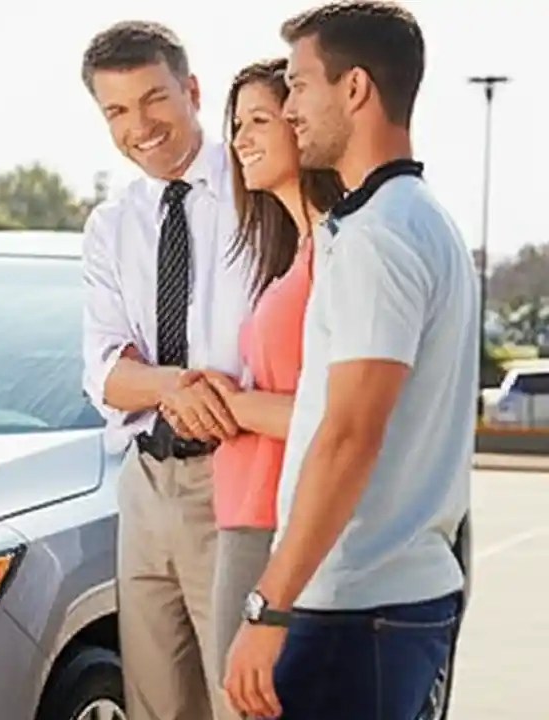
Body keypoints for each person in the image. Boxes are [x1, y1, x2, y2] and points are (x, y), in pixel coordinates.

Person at [221, 2, 477, 719]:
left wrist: (268, 607)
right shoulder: (420, 220)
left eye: (300, 86)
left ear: (355, 89)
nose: (290, 107)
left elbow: (349, 435)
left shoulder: (380, 237)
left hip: (352, 606)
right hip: (390, 602)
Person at [79, 20, 253, 720]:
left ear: (193, 91)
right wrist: (178, 386)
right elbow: (104, 372)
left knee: (240, 698)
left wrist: (154, 381)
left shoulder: (258, 196)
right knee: (157, 704)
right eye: (116, 111)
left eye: (154, 100)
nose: (139, 127)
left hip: (236, 477)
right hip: (146, 482)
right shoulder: (112, 225)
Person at [168, 57, 344, 685]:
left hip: (277, 519)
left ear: (303, 122)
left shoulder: (336, 251)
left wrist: (229, 404)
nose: (239, 138)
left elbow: (329, 414)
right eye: (236, 122)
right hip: (245, 509)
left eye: (260, 120)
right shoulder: (296, 251)